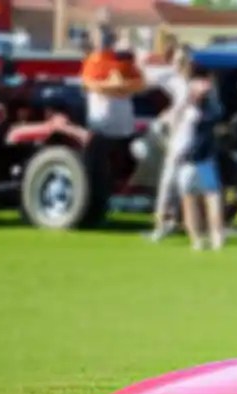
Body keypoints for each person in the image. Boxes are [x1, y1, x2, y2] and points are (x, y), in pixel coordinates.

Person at [80, 23, 145, 218]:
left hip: (124, 128)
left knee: (126, 168)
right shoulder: (91, 62)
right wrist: (116, 87)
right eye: (101, 37)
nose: (105, 41)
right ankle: (96, 206)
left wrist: (120, 87)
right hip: (100, 127)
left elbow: (140, 83)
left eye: (107, 37)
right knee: (98, 170)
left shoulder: (124, 62)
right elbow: (92, 85)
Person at [171, 76, 225, 251]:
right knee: (194, 200)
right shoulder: (193, 111)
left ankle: (210, 237)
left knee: (209, 198)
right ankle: (199, 238)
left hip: (198, 160)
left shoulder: (202, 111)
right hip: (190, 160)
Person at [148, 46, 193, 242]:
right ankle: (165, 222)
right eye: (177, 59)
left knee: (176, 181)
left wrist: (169, 115)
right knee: (170, 181)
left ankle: (174, 221)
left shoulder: (191, 83)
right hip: (178, 136)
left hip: (188, 136)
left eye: (182, 60)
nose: (179, 64)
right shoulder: (175, 78)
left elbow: (183, 105)